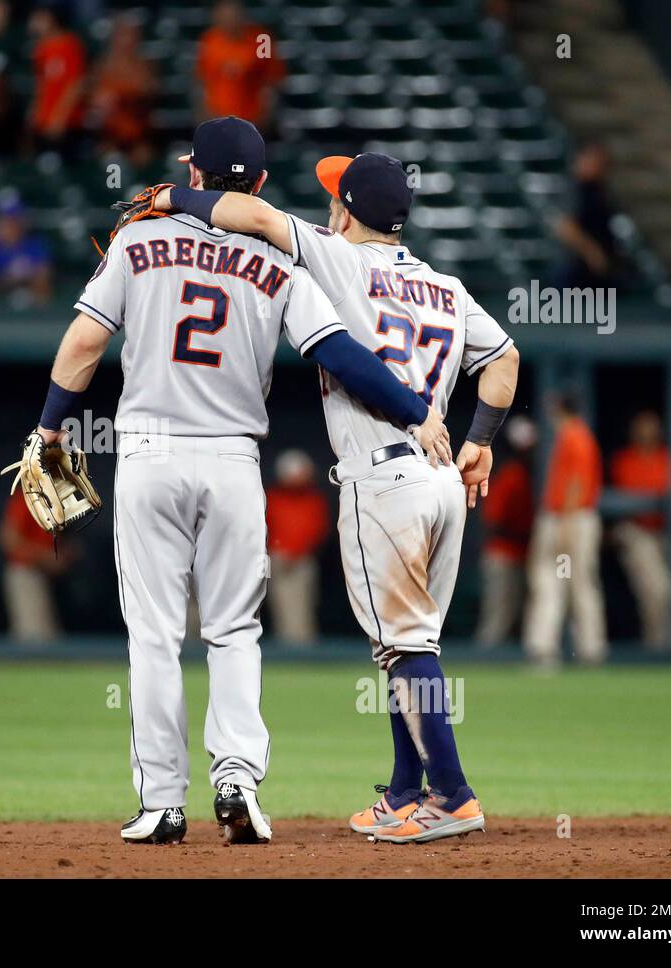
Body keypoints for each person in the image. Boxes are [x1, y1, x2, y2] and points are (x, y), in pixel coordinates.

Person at [34, 118, 449, 845]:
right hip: (232, 462)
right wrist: (415, 412)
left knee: (156, 637)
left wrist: (48, 428)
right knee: (234, 632)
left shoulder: (138, 241)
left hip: (151, 455)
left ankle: (163, 802)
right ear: (256, 184)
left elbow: (85, 342)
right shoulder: (280, 263)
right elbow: (344, 353)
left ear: (194, 175)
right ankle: (238, 782)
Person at [160, 148, 520, 843]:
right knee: (407, 645)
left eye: (336, 194)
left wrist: (173, 197)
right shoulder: (444, 284)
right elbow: (503, 358)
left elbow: (253, 214)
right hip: (445, 480)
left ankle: (451, 794)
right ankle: (406, 791)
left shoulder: (336, 256)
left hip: (385, 476)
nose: (329, 202)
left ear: (347, 208)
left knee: (404, 647)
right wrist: (481, 438)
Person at [523, 393, 607, 666]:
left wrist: (566, 524)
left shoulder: (575, 435)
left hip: (570, 518)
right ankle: (545, 648)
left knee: (578, 583)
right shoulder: (572, 435)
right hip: (565, 517)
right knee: (551, 583)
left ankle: (590, 649)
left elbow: (578, 482)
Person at [610, 411, 671, 651]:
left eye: (651, 427)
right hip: (637, 532)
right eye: (641, 427)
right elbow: (628, 497)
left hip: (669, 533)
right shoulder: (624, 459)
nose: (646, 432)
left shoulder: (668, 457)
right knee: (658, 590)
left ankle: (670, 646)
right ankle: (658, 647)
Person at [474, 415, 537, 646]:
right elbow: (493, 521)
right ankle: (484, 662)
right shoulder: (511, 473)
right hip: (502, 554)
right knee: (497, 616)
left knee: (515, 614)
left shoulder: (525, 473)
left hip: (519, 553)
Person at [264, 449, 329, 645]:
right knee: (280, 606)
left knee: (303, 607)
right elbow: (262, 528)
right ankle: (285, 651)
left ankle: (303, 654)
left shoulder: (314, 500)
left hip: (303, 560)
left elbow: (319, 530)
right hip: (274, 560)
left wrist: (297, 550)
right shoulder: (271, 497)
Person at [196, 0, 285, 132]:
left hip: (254, 121)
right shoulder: (209, 40)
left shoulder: (261, 39)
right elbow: (202, 82)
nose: (230, 18)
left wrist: (264, 116)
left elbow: (272, 78)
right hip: (218, 120)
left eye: (234, 13)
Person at [0, 492, 66, 642]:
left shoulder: (50, 500)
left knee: (46, 636)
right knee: (33, 637)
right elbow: (8, 539)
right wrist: (44, 557)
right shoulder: (29, 497)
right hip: (23, 573)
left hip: (39, 575)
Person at [91, 16, 157, 169]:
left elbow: (149, 91)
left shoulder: (144, 65)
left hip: (139, 133)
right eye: (122, 35)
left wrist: (121, 97)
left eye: (130, 35)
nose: (126, 40)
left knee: (144, 160)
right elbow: (95, 97)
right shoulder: (103, 66)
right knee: (110, 165)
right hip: (110, 134)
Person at [553, 142, 619, 290]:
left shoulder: (596, 189)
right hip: (574, 267)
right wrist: (593, 253)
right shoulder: (574, 189)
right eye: (597, 161)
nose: (602, 166)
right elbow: (566, 228)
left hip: (591, 270)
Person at [27, 6, 86, 154]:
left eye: (39, 19)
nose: (34, 24)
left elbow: (76, 84)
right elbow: (41, 84)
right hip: (44, 122)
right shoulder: (41, 49)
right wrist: (35, 111)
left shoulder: (70, 44)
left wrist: (60, 118)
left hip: (67, 123)